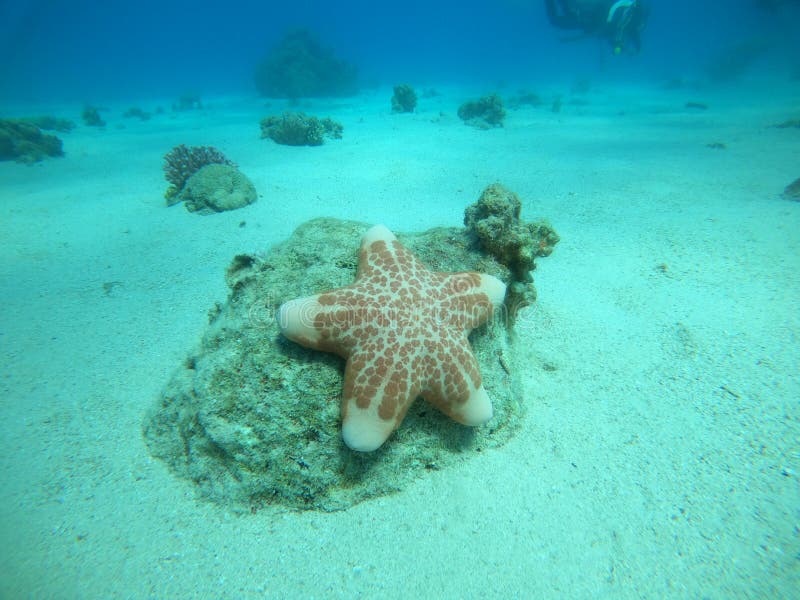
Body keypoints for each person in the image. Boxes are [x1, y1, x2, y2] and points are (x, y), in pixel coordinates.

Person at [545, 0, 649, 54]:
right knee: (558, 19)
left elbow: (626, 33)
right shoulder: (630, 22)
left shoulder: (629, 21)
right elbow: (629, 32)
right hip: (590, 20)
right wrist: (636, 48)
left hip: (590, 19)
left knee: (567, 10)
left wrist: (636, 48)